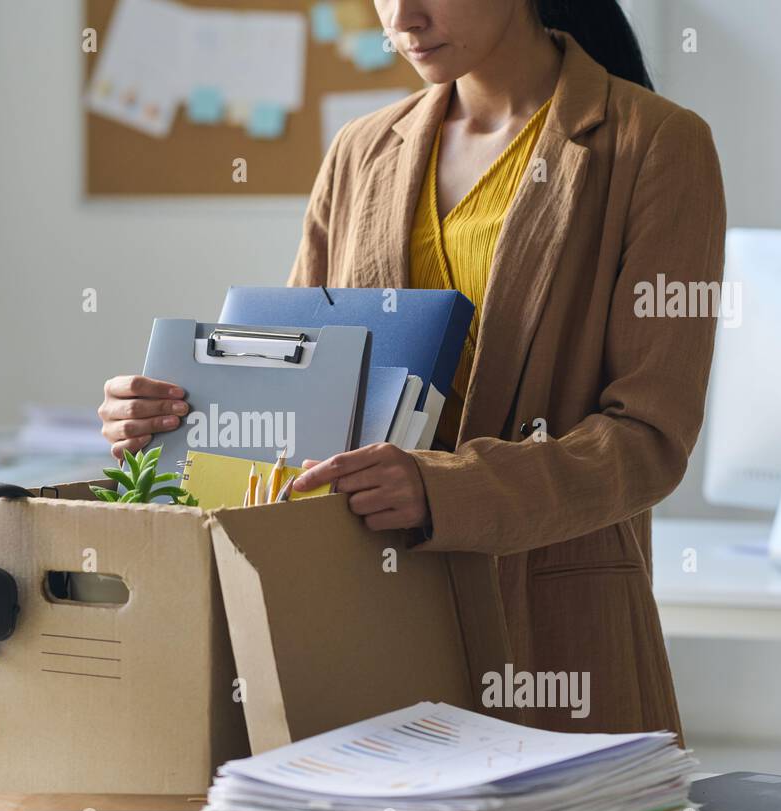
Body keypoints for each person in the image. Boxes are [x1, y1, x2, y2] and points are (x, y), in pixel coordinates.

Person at [97, 0, 726, 740]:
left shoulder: (656, 144)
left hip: (552, 625)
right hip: (368, 618)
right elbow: (294, 405)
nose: (401, 16)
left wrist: (443, 489)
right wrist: (175, 419)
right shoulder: (360, 150)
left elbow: (649, 440)